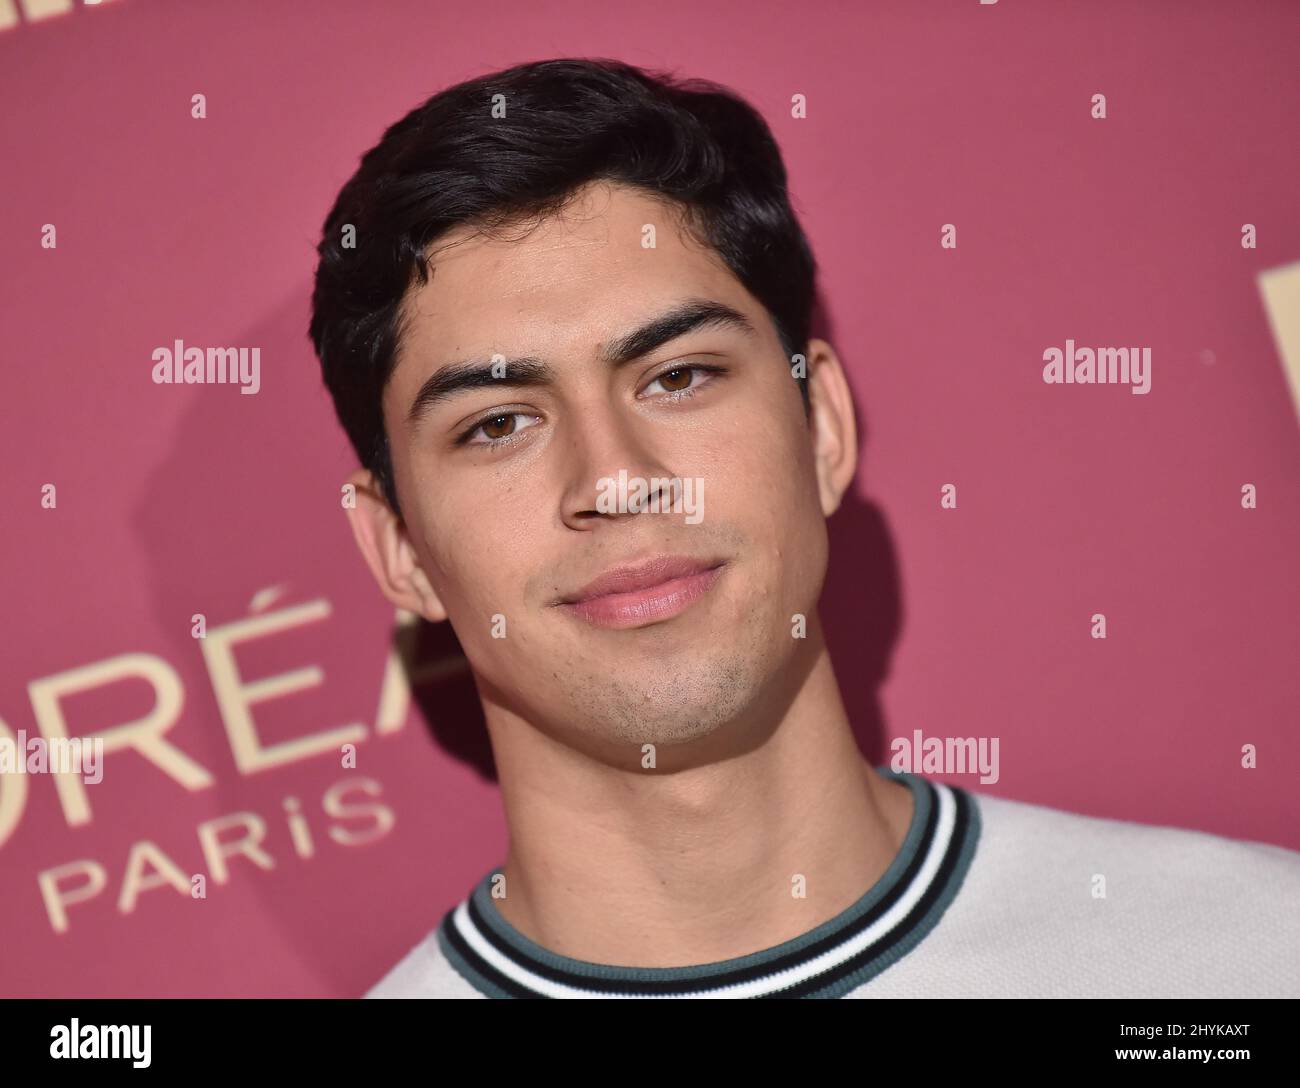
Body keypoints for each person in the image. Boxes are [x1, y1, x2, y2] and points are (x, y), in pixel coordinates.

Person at [307, 57, 1300, 999]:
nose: (615, 478)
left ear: (820, 425)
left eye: (678, 376)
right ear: (400, 547)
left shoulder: (1249, 948)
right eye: (498, 424)